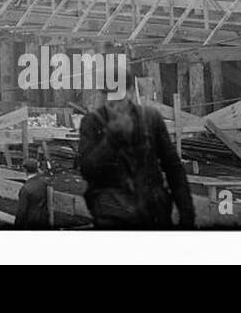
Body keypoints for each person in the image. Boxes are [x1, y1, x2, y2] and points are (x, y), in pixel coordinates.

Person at [77, 72, 195, 228]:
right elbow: (87, 169)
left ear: (131, 92)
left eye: (120, 99)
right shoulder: (92, 122)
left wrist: (187, 213)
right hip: (112, 216)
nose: (116, 106)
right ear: (104, 95)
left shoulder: (150, 118)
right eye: (110, 100)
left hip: (153, 213)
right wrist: (110, 141)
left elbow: (173, 167)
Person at [15, 158, 51, 228]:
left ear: (25, 170)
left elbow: (21, 211)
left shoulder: (25, 189)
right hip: (43, 219)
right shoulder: (44, 182)